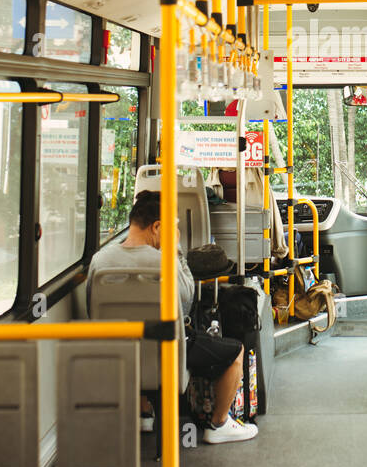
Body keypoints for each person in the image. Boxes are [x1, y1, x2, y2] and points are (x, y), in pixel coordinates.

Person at [87, 190, 257, 445]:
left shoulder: (99, 260)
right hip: (166, 354)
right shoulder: (163, 262)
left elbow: (93, 310)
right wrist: (175, 250)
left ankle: (144, 413)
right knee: (235, 352)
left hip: (116, 357)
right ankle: (219, 424)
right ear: (157, 227)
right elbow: (186, 302)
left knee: (135, 332)